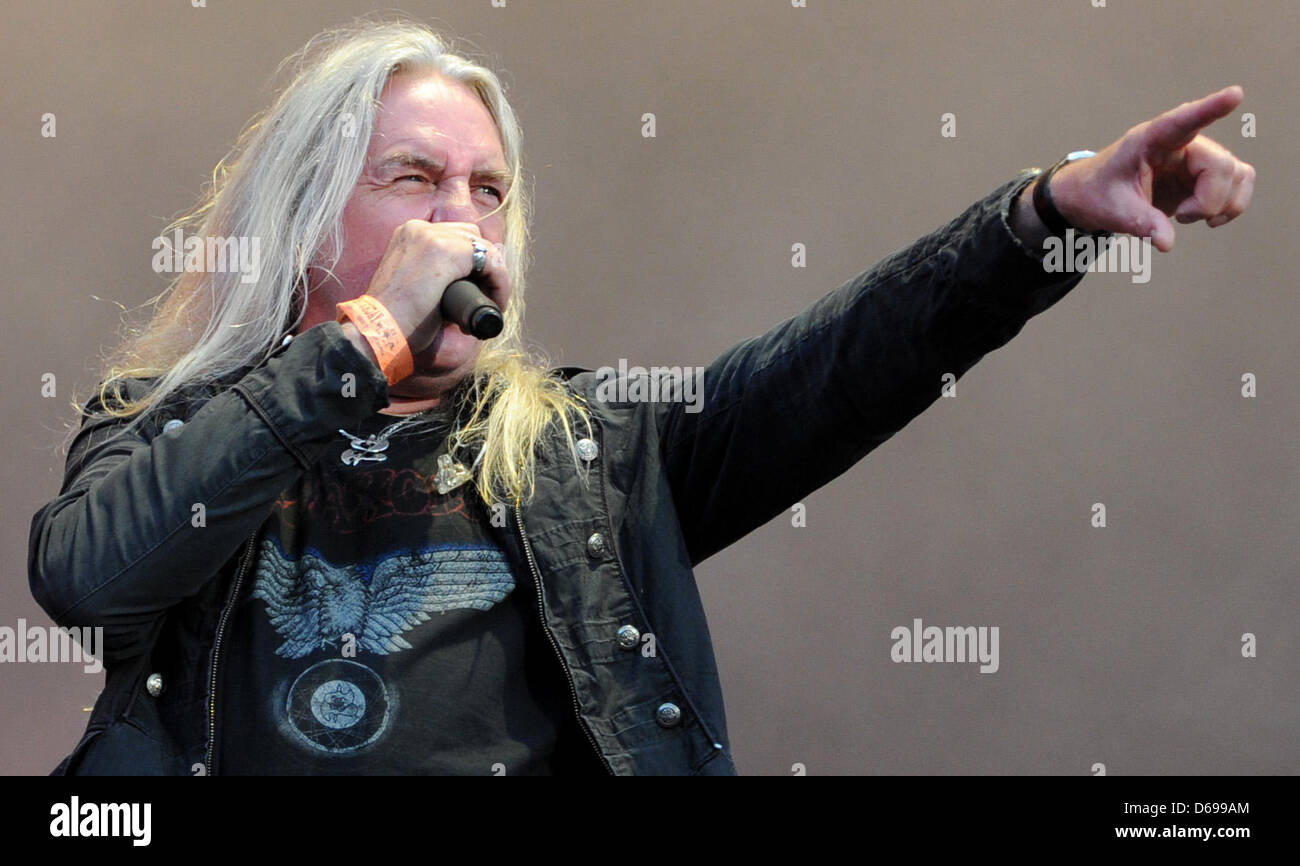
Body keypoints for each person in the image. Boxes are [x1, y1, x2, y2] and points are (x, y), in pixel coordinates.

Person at [27, 19, 1254, 775]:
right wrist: (356, 348)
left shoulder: (585, 451)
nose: (463, 216)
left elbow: (845, 362)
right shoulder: (167, 424)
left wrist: (1039, 222)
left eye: (489, 188)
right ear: (302, 221)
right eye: (413, 177)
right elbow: (90, 574)